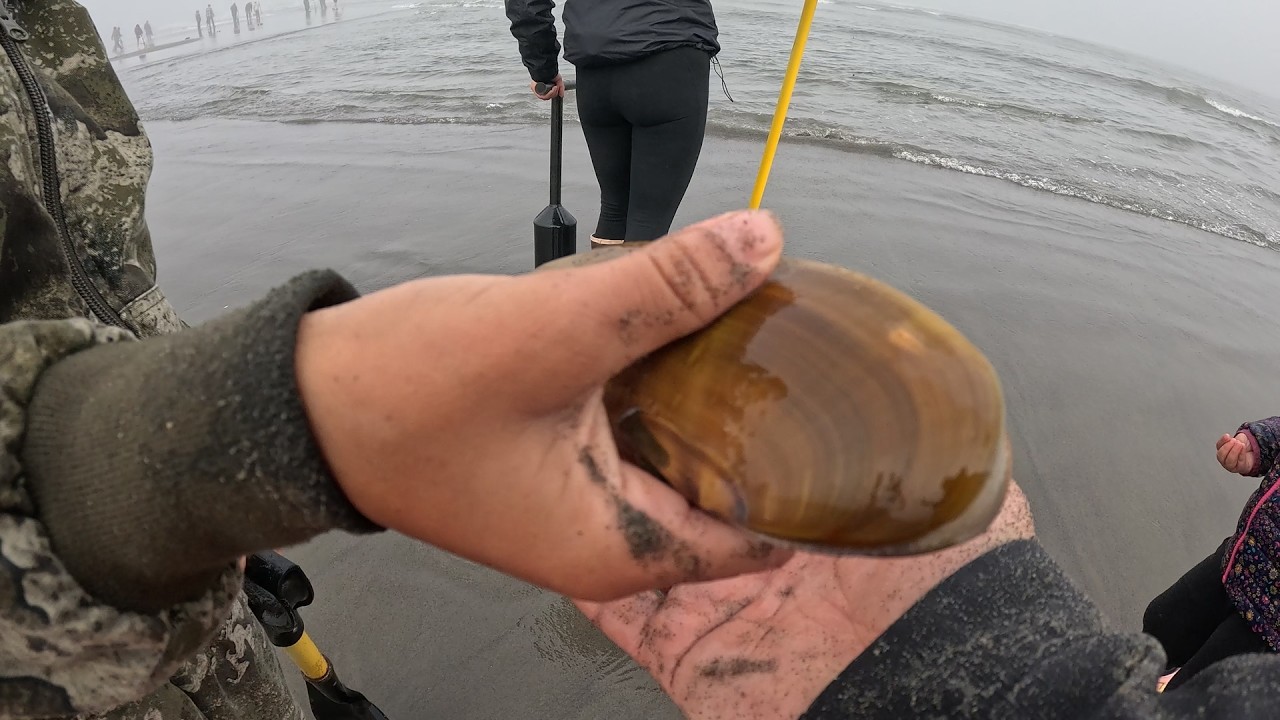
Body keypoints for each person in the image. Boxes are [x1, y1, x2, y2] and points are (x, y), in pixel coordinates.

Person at [8, 4, 1280, 720]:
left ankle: (616, 342)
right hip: (658, 63)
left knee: (626, 249)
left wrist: (1010, 689)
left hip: (600, 64)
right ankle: (624, 351)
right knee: (647, 256)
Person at [505, 0, 719, 247]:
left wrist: (542, 67)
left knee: (614, 210)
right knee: (648, 222)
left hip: (596, 66)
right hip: (670, 57)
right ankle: (628, 284)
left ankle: (602, 284)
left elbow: (525, 4)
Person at [1142, 420, 1280, 691]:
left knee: (1197, 693)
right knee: (1161, 624)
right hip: (1238, 559)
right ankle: (1142, 683)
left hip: (1268, 625)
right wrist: (1252, 445)